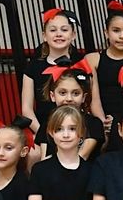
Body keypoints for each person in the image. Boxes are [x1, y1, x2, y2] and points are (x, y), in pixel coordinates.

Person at [20, 9, 83, 149]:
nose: (59, 34)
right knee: (32, 153)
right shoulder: (33, 67)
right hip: (43, 127)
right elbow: (27, 110)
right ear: (44, 36)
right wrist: (45, 134)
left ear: (73, 35)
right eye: (53, 30)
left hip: (77, 129)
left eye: (64, 29)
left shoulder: (83, 65)